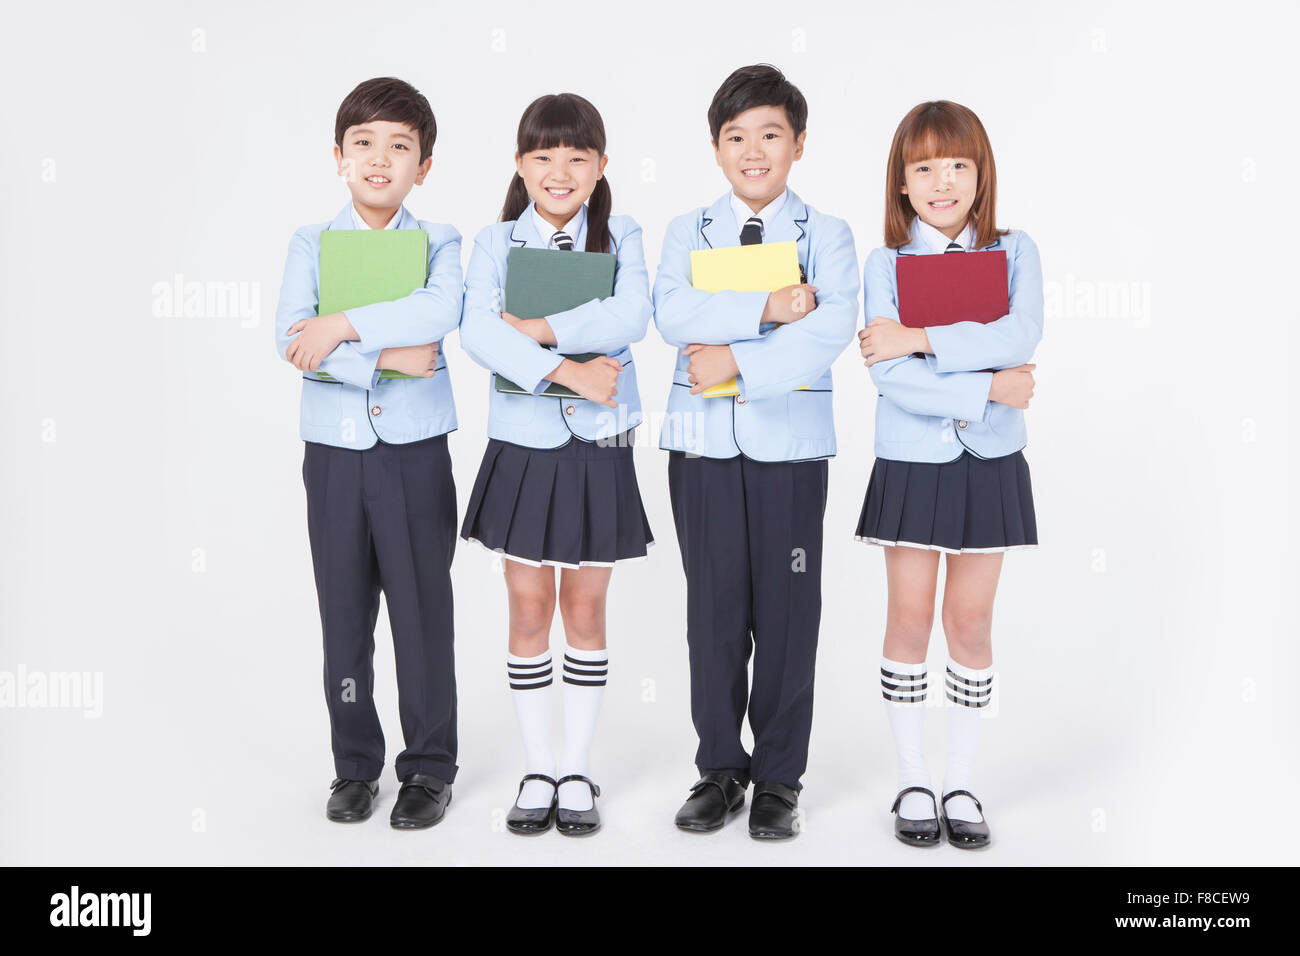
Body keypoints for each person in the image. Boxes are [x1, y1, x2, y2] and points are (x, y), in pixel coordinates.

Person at [652, 64, 859, 840]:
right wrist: (771, 305)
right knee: (712, 612)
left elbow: (831, 329)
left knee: (786, 611)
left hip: (790, 448)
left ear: (798, 144)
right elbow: (672, 312)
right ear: (715, 147)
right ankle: (718, 768)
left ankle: (777, 778)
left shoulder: (827, 235)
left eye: (770, 134)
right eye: (735, 136)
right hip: (702, 447)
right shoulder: (686, 231)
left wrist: (734, 360)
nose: (753, 151)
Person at [458, 92, 654, 837]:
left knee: (586, 607)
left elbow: (632, 314)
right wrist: (568, 371)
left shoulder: (623, 233)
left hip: (600, 443)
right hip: (524, 441)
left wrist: (535, 328)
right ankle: (538, 766)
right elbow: (478, 330)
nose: (561, 170)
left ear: (601, 167)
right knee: (530, 606)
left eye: (578, 156)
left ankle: (577, 767)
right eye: (544, 155)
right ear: (520, 164)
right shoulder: (494, 242)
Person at [274, 77, 464, 829]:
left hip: (414, 453)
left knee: (421, 613)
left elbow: (439, 308)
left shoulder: (441, 241)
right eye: (364, 144)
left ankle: (429, 766)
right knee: (344, 612)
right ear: (339, 156)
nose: (380, 159)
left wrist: (341, 322)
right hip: (335, 455)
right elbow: (293, 337)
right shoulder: (309, 242)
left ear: (425, 163)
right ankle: (354, 765)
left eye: (400, 147)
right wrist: (385, 358)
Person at [857, 99, 1043, 849]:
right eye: (924, 167)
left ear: (981, 173)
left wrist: (922, 335)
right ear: (902, 183)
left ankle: (961, 781)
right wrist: (989, 384)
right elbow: (889, 375)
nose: (942, 181)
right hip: (912, 459)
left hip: (990, 459)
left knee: (969, 623)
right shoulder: (886, 264)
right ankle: (912, 779)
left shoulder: (1017, 249)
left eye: (958, 164)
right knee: (908, 619)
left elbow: (1020, 331)